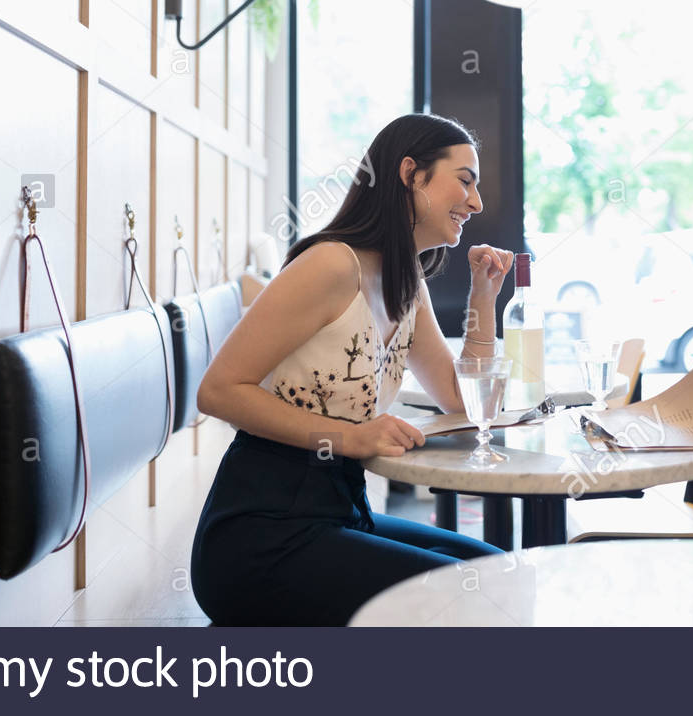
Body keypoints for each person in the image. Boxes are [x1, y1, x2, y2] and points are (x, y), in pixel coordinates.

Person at [190, 113, 513, 624]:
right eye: (465, 182)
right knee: (474, 603)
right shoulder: (331, 265)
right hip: (264, 534)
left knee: (499, 573)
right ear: (411, 174)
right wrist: (350, 437)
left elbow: (465, 399)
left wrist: (484, 297)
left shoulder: (408, 282)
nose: (477, 203)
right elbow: (219, 391)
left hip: (343, 513)